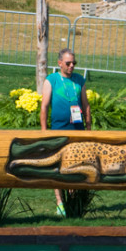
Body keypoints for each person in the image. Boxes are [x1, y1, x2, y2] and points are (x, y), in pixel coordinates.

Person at [40, 47, 91, 217]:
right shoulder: (52, 80)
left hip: (78, 129)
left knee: (76, 165)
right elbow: (44, 106)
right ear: (60, 63)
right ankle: (60, 202)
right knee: (58, 167)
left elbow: (86, 105)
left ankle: (72, 198)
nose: (71, 66)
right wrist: (44, 131)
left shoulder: (79, 80)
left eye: (74, 63)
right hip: (58, 130)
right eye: (68, 63)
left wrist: (89, 128)